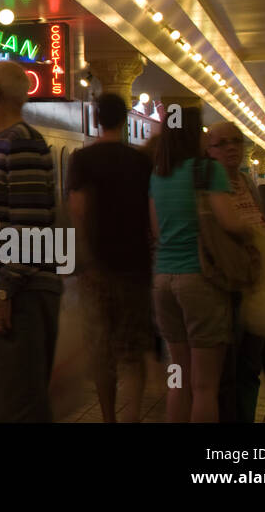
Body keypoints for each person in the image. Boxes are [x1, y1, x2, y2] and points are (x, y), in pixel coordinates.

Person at [0, 60, 61, 423]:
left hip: (25, 291)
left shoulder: (19, 142)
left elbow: (29, 224)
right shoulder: (3, 143)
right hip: (14, 289)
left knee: (17, 405)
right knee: (5, 400)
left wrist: (4, 290)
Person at [149, 108, 247, 422]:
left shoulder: (157, 175)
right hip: (200, 280)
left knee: (178, 380)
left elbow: (156, 231)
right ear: (195, 134)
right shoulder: (208, 170)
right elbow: (230, 223)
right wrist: (256, 233)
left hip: (163, 280)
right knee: (204, 387)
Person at [66, 92, 153, 422]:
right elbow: (150, 215)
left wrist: (85, 259)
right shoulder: (141, 162)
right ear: (125, 119)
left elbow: (78, 210)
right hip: (136, 267)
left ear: (96, 119)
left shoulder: (83, 160)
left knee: (102, 352)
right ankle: (133, 415)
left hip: (96, 270)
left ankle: (108, 418)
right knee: (132, 352)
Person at [206, 122, 265, 420]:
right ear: (209, 151)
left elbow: (260, 224)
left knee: (249, 367)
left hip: (252, 286)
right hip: (223, 287)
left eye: (236, 141)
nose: (231, 148)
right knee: (225, 370)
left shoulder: (247, 182)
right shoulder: (206, 187)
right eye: (222, 143)